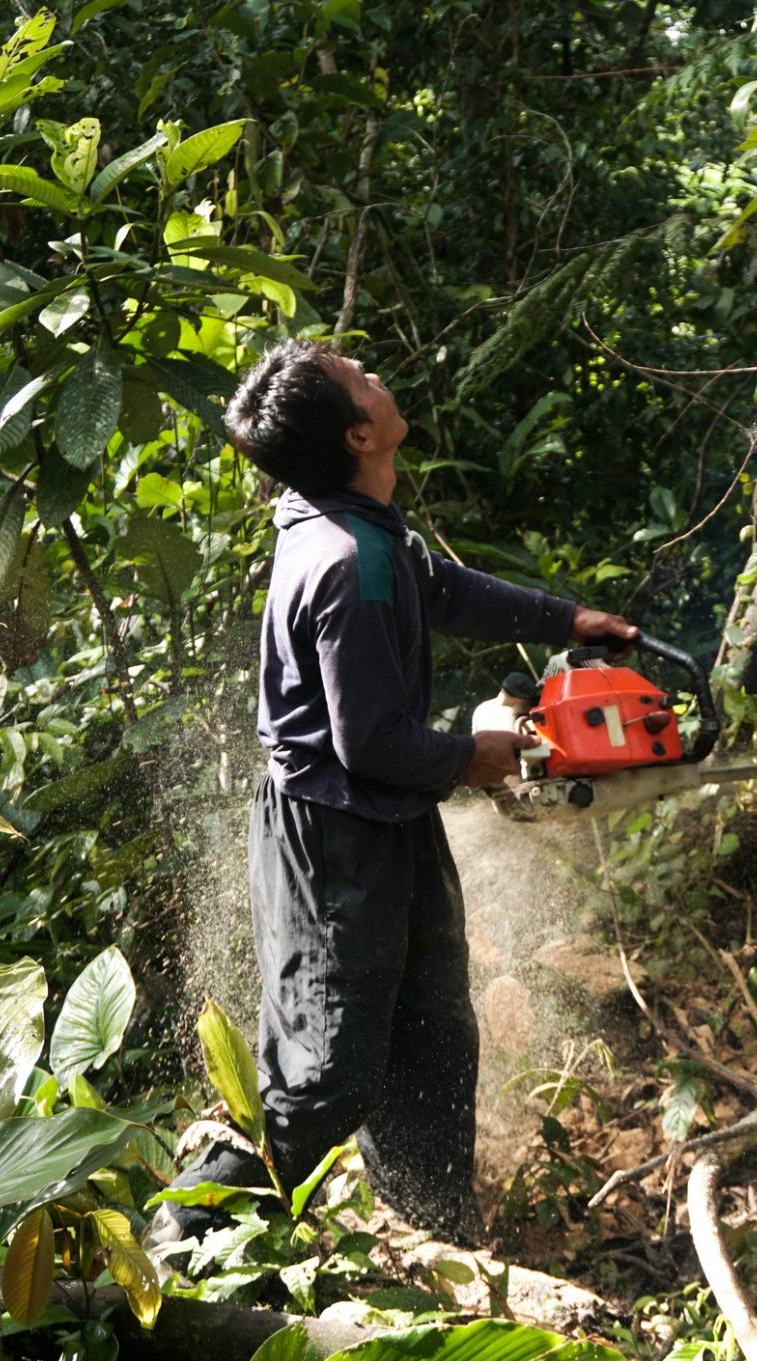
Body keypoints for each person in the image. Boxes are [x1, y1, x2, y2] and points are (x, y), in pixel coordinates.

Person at [148, 338, 637, 1248]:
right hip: (335, 841)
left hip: (390, 825)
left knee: (432, 1045)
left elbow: (440, 587)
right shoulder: (345, 560)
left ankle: (438, 1245)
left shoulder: (364, 531)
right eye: (361, 377)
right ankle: (172, 1248)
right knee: (327, 1076)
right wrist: (473, 753)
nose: (379, 374)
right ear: (359, 431)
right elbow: (368, 742)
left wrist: (562, 619)